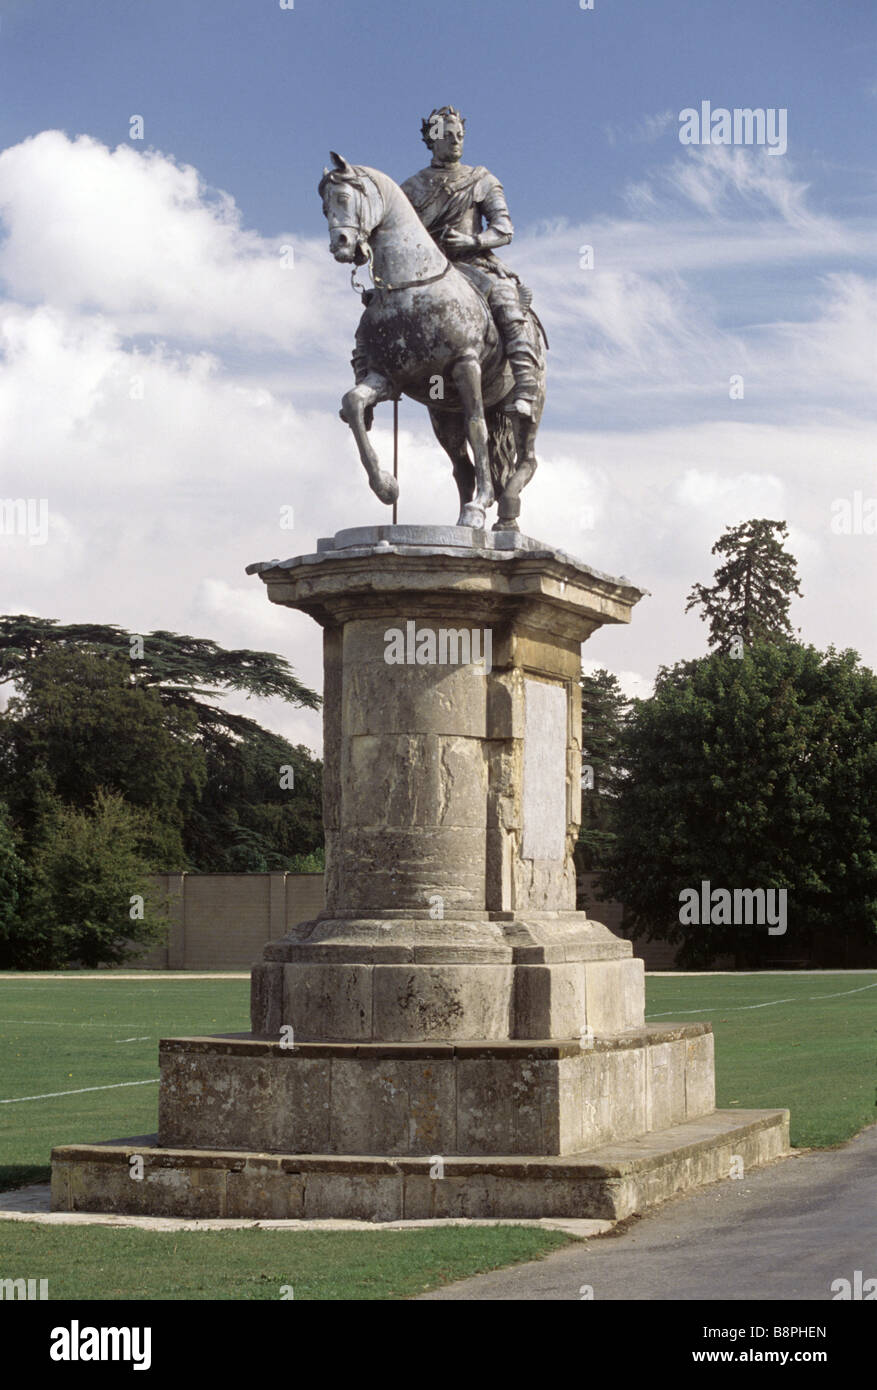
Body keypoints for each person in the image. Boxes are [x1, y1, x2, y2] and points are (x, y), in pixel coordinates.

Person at [401, 106, 540, 417]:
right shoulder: (410, 189)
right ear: (432, 139)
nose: (456, 141)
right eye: (448, 136)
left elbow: (504, 229)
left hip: (473, 266)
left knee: (505, 299)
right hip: (426, 273)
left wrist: (472, 241)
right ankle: (370, 371)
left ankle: (525, 386)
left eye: (460, 135)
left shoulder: (482, 179)